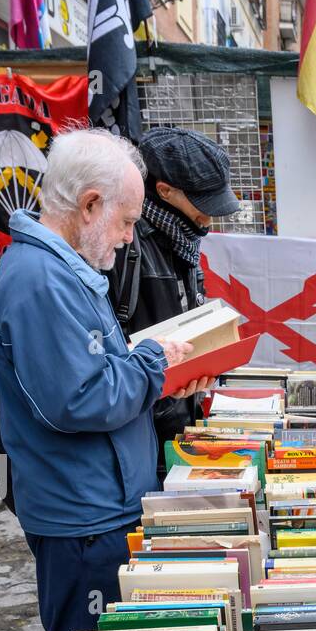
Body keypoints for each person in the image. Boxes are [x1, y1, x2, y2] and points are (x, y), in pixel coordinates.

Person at [0, 128, 201, 631]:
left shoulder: (65, 267)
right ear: (89, 205)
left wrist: (158, 381)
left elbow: (95, 378)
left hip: (101, 502)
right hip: (82, 513)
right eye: (127, 221)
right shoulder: (40, 279)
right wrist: (154, 364)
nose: (131, 238)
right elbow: (79, 399)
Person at [107, 127, 240, 471]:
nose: (208, 220)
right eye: (202, 205)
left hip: (176, 419)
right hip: (142, 433)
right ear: (164, 191)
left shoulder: (183, 239)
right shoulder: (121, 246)